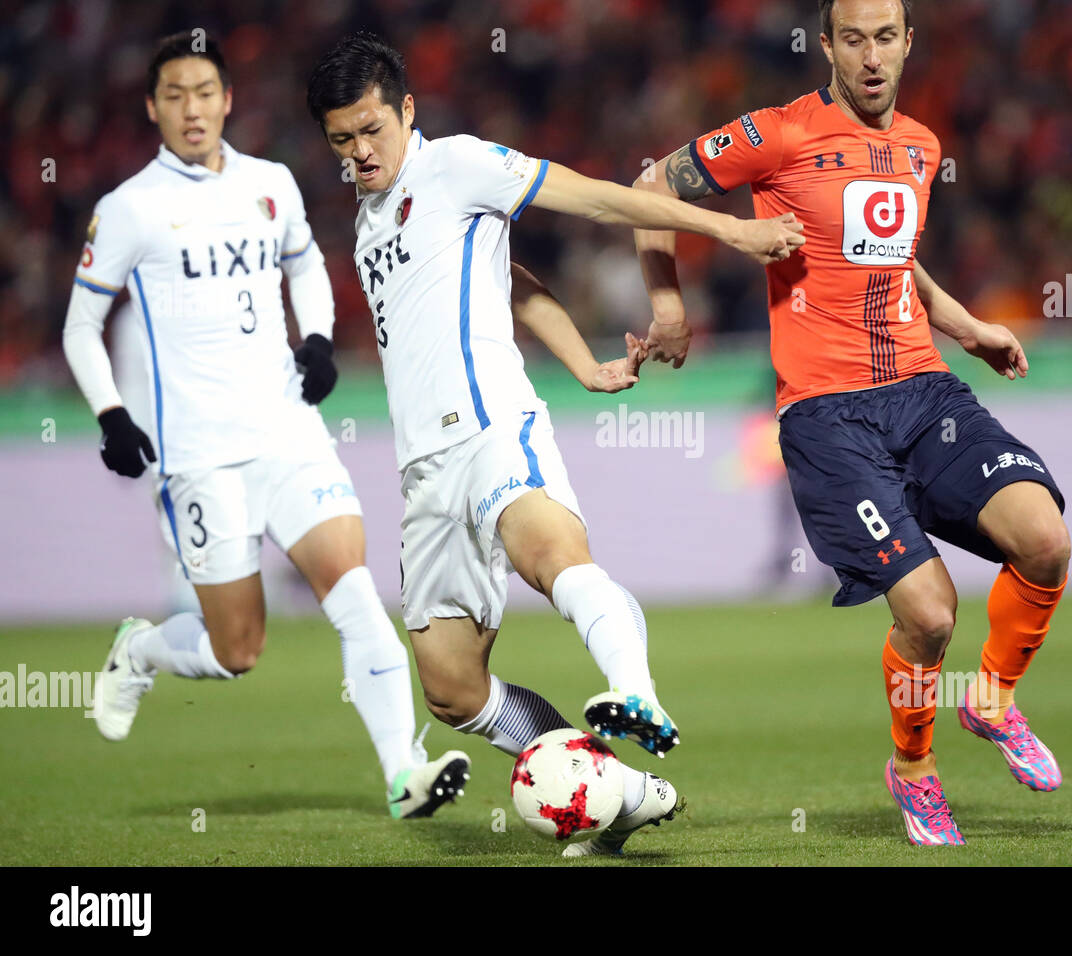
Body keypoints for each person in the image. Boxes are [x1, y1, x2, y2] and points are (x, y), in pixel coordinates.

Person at [305, 32, 804, 856]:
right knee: (453, 691)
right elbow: (514, 283)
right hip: (424, 473)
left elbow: (604, 199)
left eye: (371, 130)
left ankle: (638, 692)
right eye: (341, 140)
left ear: (407, 112)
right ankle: (622, 793)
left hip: (494, 425)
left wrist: (733, 235)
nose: (359, 152)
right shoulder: (367, 224)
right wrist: (584, 363)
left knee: (551, 558)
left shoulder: (458, 164)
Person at [630, 0, 1071, 845]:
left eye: (887, 39)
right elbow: (650, 184)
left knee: (1046, 541)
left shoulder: (921, 147)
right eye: (855, 40)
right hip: (829, 416)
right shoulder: (778, 134)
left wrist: (967, 326)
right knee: (931, 615)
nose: (872, 58)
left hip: (925, 391)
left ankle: (994, 699)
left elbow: (893, 254)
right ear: (826, 45)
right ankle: (912, 770)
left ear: (910, 44)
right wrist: (666, 302)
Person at [63, 32, 470, 821]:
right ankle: (141, 649)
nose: (192, 108)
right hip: (199, 456)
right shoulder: (127, 210)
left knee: (354, 593)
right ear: (153, 107)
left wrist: (315, 338)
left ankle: (402, 774)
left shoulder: (271, 183)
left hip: (287, 432)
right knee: (236, 650)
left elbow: (306, 263)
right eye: (175, 94)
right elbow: (82, 327)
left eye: (205, 92)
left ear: (225, 100)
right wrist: (112, 416)